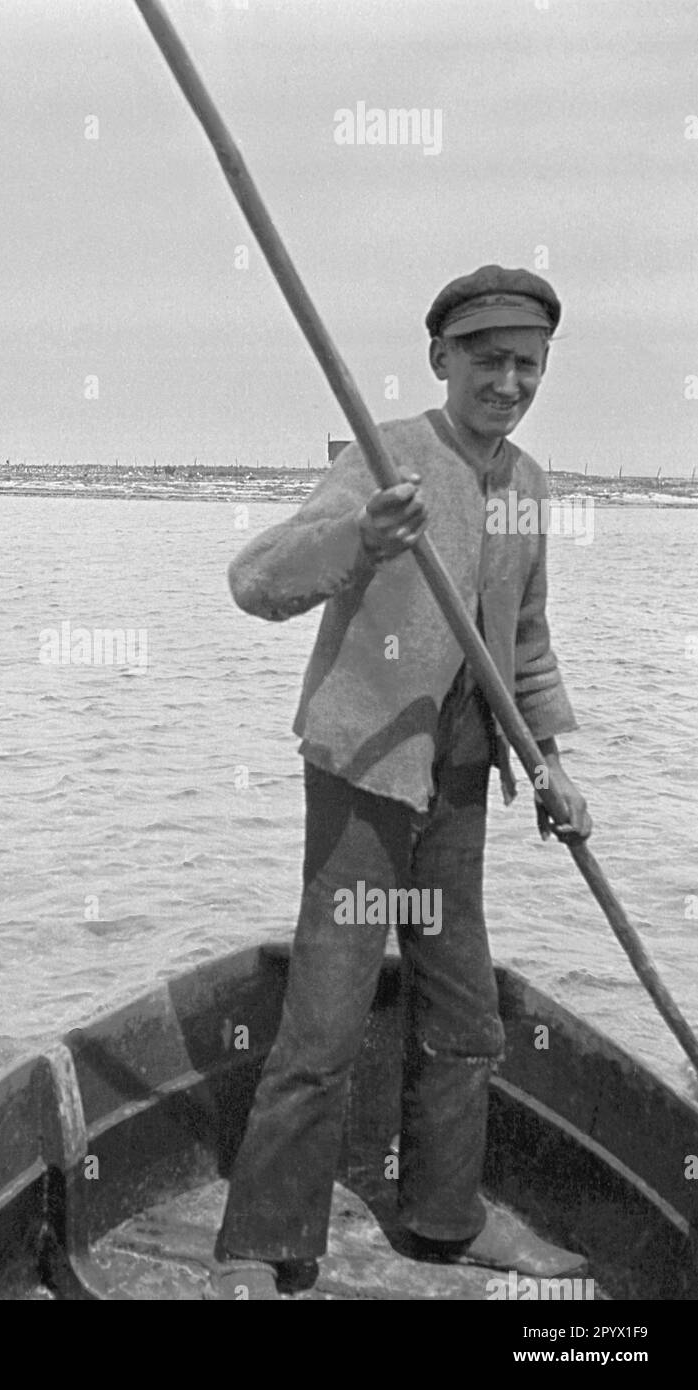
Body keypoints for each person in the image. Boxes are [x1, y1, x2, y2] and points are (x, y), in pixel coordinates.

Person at [212, 265, 593, 1299]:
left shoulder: (529, 485)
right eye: (487, 361)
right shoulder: (387, 456)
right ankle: (274, 1245)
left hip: (463, 783)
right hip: (364, 779)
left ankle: (443, 1219)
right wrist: (359, 538)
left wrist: (551, 761)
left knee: (466, 1017)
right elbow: (256, 579)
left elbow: (526, 643)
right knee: (325, 1021)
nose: (508, 382)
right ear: (441, 360)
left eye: (527, 364)